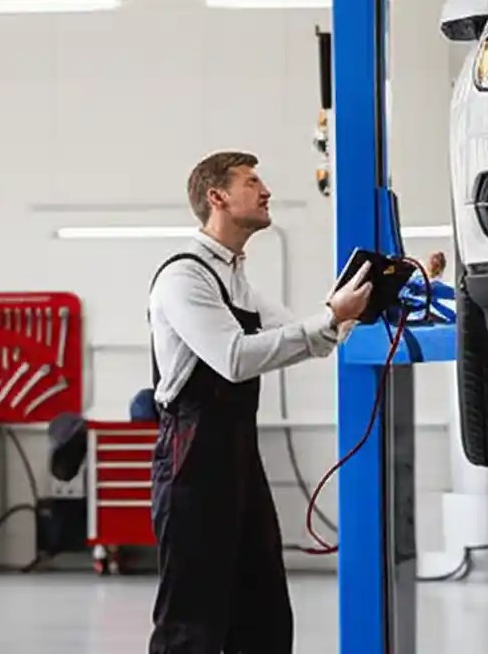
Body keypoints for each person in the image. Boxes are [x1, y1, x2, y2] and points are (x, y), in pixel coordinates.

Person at [145, 150, 372, 654]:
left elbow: (304, 335)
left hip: (236, 458)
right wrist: (330, 318)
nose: (265, 191)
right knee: (192, 621)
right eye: (252, 182)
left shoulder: (236, 277)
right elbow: (233, 358)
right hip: (191, 459)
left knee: (262, 611)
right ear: (217, 197)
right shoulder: (185, 277)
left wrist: (362, 305)